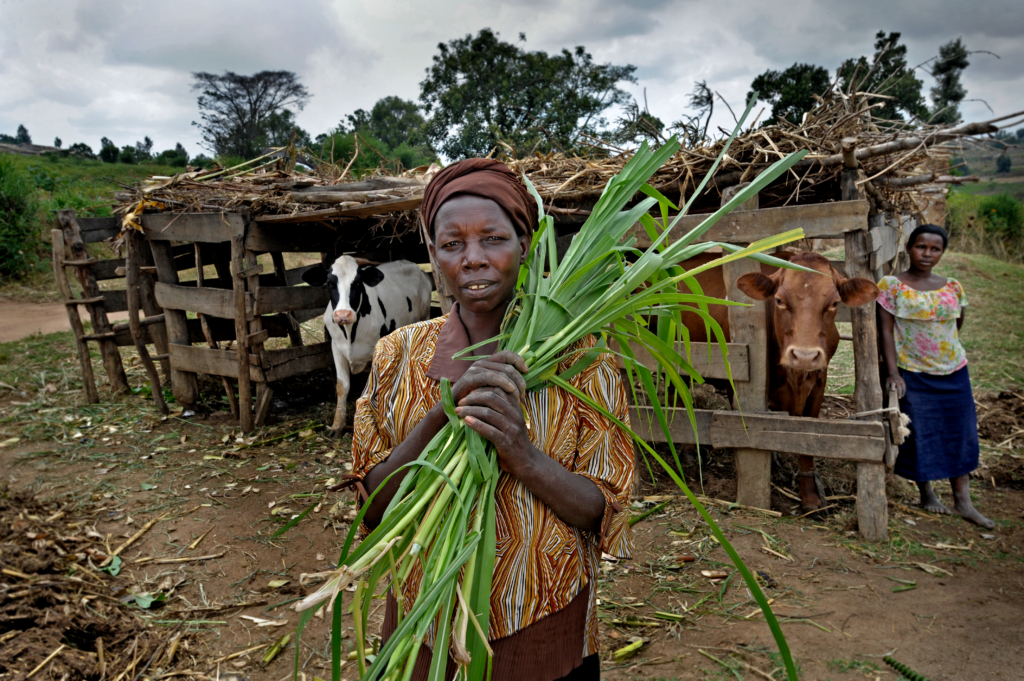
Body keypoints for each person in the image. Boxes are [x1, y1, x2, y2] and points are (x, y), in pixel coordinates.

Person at [351, 159, 634, 680]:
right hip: (425, 620)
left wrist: (522, 455)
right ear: (434, 255)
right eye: (453, 244)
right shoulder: (397, 356)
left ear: (525, 244)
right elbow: (373, 507)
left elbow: (602, 509)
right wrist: (442, 413)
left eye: (494, 239)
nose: (474, 259)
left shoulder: (584, 359)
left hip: (541, 619)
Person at [877, 223, 994, 529]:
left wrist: (943, 352)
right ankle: (927, 493)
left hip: (954, 371)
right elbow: (886, 332)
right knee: (921, 433)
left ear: (942, 252)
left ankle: (963, 501)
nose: (927, 254)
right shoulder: (891, 285)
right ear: (908, 248)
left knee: (962, 431)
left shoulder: (952, 285)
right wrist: (894, 373)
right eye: (921, 247)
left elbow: (957, 325)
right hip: (913, 372)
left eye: (935, 249)